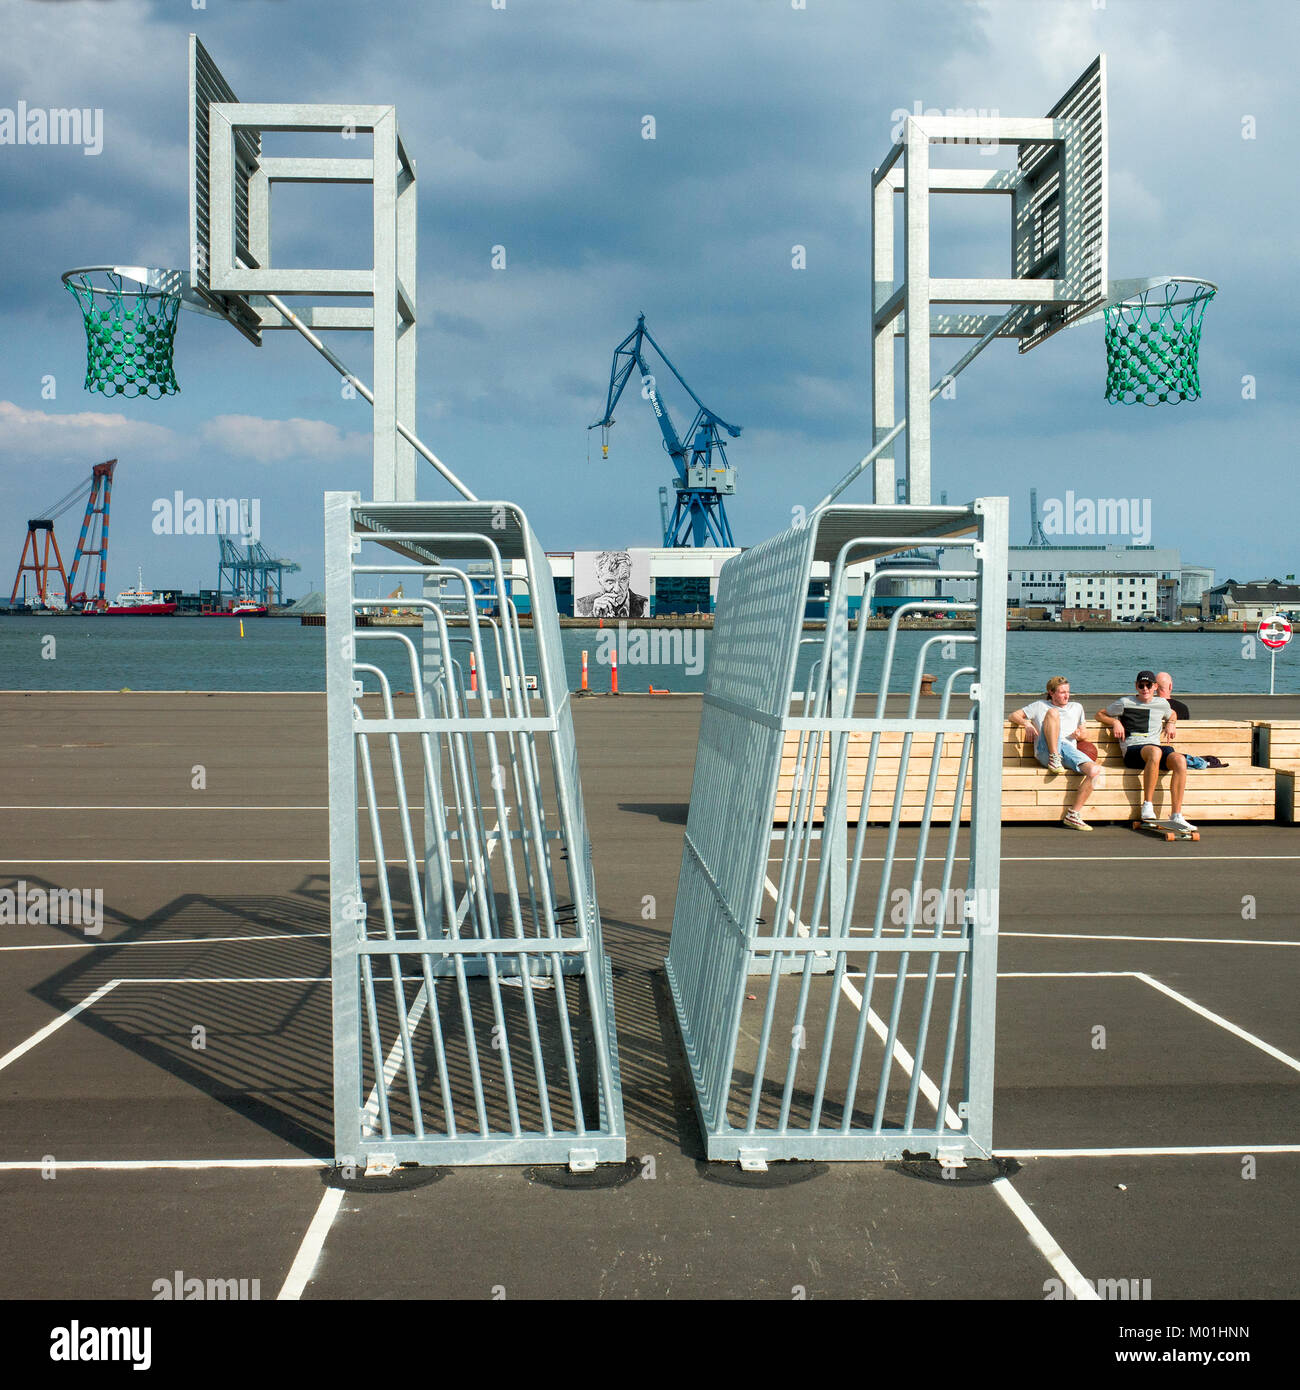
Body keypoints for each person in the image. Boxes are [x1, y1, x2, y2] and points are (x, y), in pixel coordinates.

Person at [1097, 669, 1195, 831]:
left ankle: (1176, 814)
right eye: (1141, 685)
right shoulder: (1125, 702)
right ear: (1136, 686)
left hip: (1152, 750)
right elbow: (1100, 714)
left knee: (1179, 760)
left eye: (1148, 685)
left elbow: (1173, 713)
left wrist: (1171, 722)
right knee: (1155, 751)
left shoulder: (1162, 704)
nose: (1145, 689)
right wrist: (1115, 722)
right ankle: (1147, 805)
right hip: (1132, 750)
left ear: (1155, 686)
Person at [1010, 675, 1103, 831]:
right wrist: (1026, 722)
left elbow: (1085, 733)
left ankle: (1073, 814)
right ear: (1051, 693)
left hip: (1068, 750)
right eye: (1061, 692)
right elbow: (1013, 715)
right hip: (1045, 750)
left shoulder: (1077, 707)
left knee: (1095, 771)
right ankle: (1054, 757)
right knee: (1053, 713)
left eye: (1068, 692)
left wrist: (1080, 735)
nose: (1066, 695)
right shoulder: (1040, 705)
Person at [575, 550, 649, 618]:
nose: (617, 589)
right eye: (610, 582)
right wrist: (593, 616)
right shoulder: (581, 606)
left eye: (623, 579)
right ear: (599, 580)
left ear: (628, 578)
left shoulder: (645, 604)